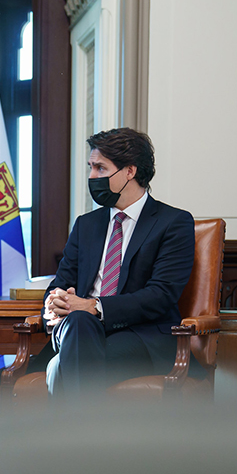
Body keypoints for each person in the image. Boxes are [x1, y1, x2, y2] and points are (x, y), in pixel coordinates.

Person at [43, 128, 195, 399]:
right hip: (77, 329)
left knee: (76, 349)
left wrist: (94, 306)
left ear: (130, 171)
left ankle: (70, 425)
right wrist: (55, 302)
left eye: (100, 168)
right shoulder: (86, 225)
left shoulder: (173, 223)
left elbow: (161, 295)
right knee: (78, 324)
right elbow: (60, 285)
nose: (92, 177)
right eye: (90, 167)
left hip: (138, 335)